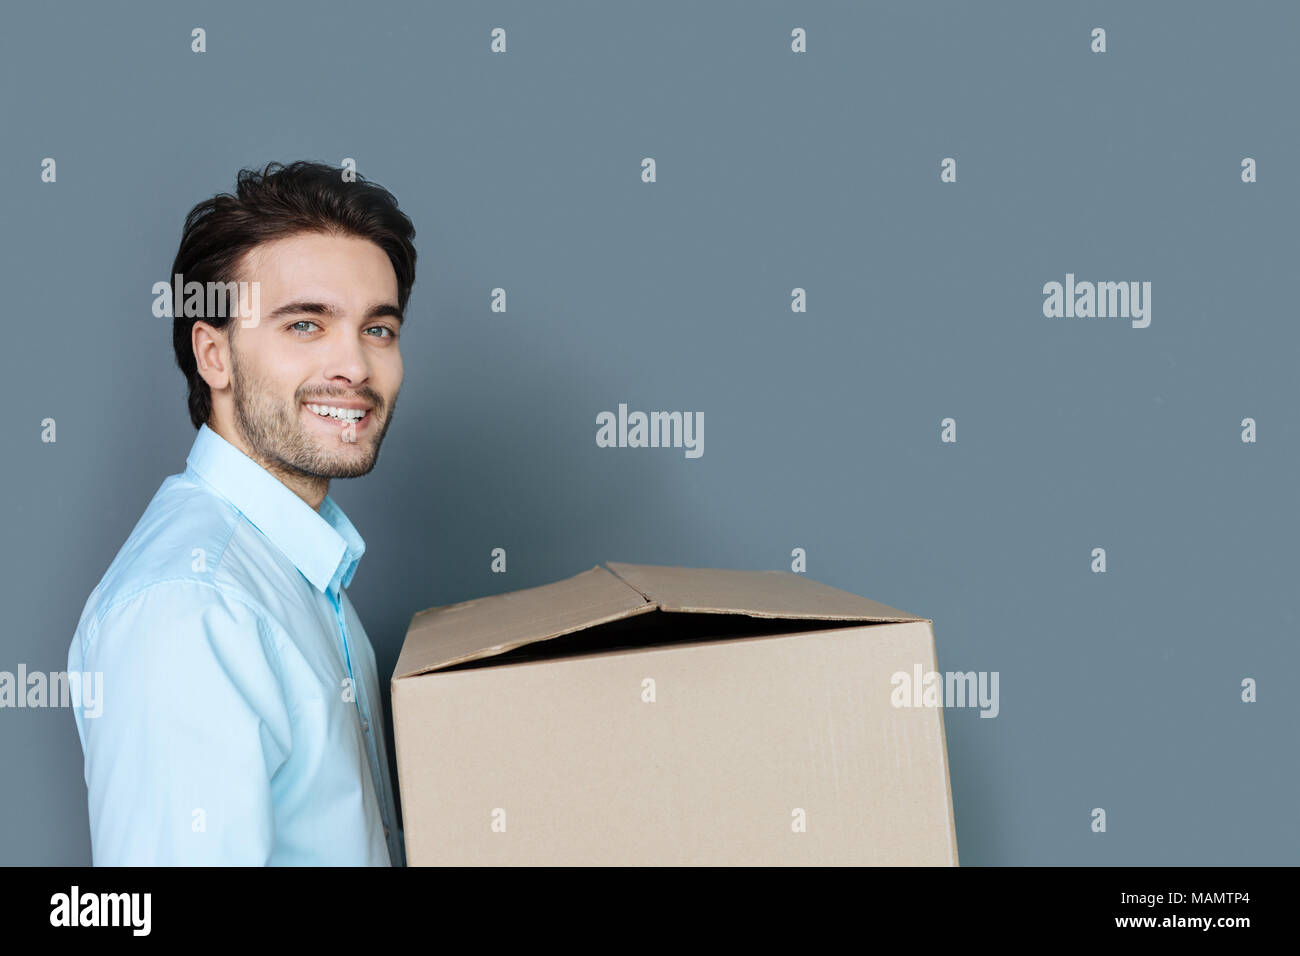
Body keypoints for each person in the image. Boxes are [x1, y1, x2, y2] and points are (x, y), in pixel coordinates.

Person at [67, 161, 416, 865]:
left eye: (378, 329)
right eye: (306, 325)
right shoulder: (194, 608)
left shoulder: (301, 575)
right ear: (214, 355)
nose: (354, 365)